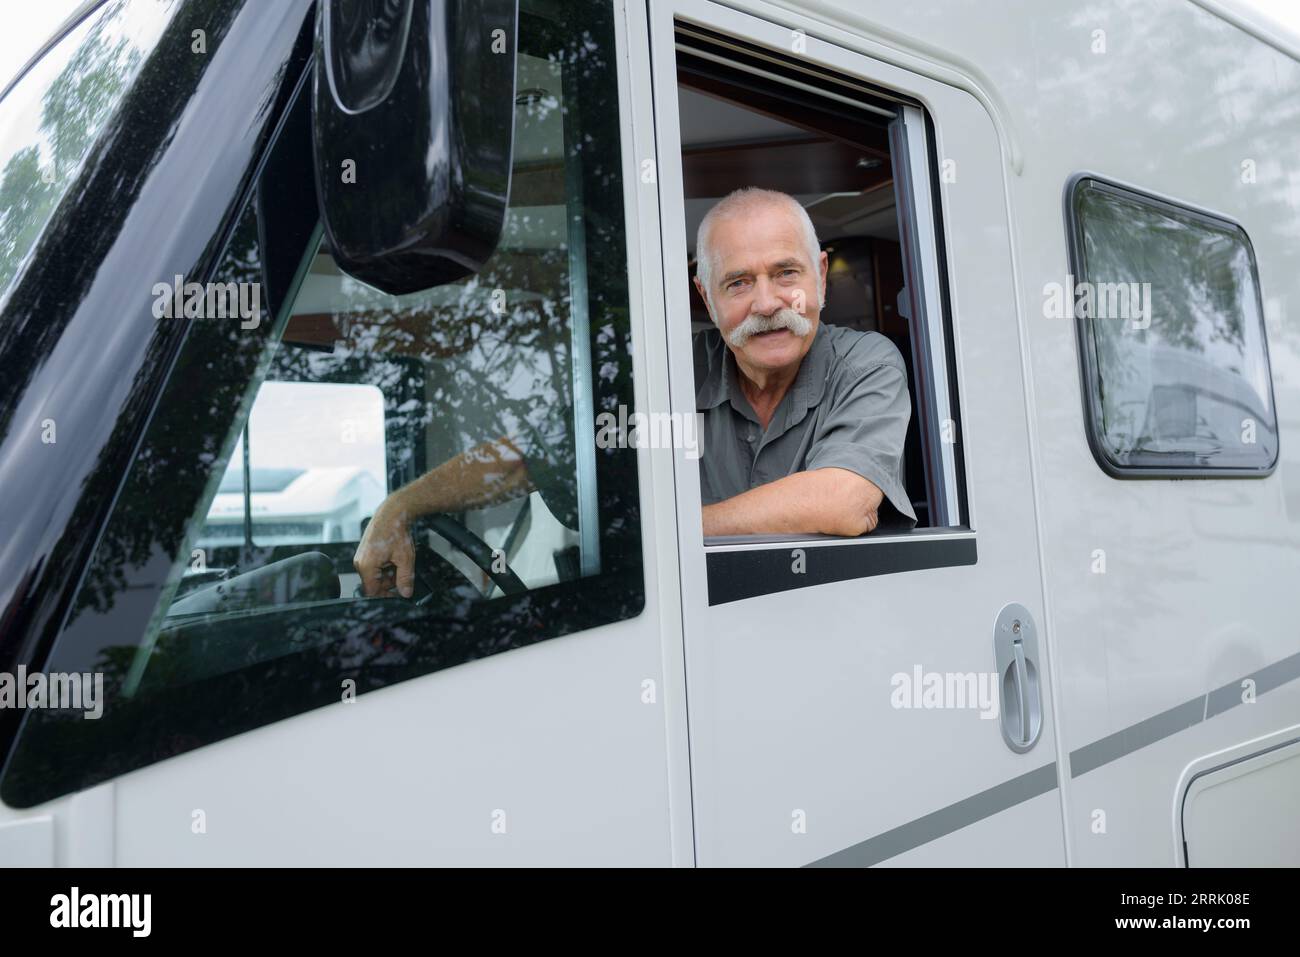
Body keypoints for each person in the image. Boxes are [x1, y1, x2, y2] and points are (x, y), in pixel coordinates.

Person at [691, 186, 916, 537]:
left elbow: (843, 503)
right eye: (738, 282)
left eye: (786, 274)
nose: (766, 305)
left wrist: (678, 531)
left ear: (821, 276)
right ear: (707, 297)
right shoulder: (670, 375)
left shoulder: (867, 364)